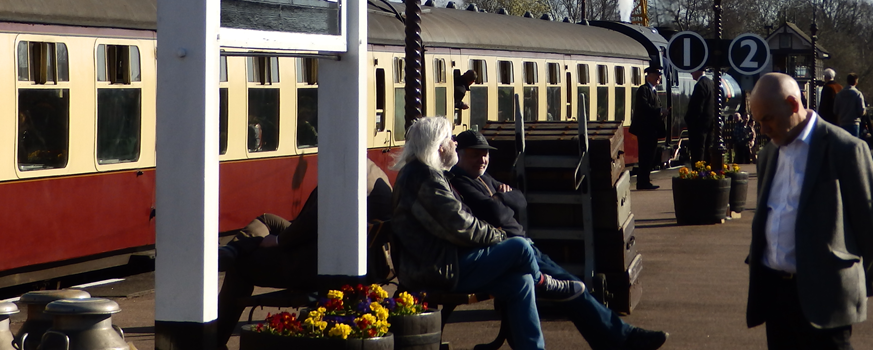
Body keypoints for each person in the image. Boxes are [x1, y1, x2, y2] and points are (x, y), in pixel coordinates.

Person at [448, 130, 668, 350]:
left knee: (571, 288)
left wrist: (502, 197)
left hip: (519, 249)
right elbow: (495, 213)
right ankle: (622, 337)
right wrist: (500, 199)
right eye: (476, 154)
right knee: (572, 288)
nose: (483, 159)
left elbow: (521, 200)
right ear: (459, 155)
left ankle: (616, 337)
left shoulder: (482, 177)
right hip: (508, 252)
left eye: (485, 154)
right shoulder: (461, 181)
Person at [390, 117, 582, 350]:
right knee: (519, 247)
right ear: (439, 146)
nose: (454, 144)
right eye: (451, 139)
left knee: (519, 283)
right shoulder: (426, 178)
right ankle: (544, 282)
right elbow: (461, 226)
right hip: (438, 269)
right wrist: (500, 236)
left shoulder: (423, 173)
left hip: (441, 261)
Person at [746, 73, 873, 350]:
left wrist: (859, 281)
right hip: (776, 295)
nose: (762, 129)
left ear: (792, 104)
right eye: (758, 121)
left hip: (826, 296)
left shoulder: (845, 148)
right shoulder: (768, 155)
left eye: (768, 119)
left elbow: (870, 227)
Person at [214, 159, 394, 347]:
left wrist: (278, 241)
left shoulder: (346, 175)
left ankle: (212, 341)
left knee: (239, 268)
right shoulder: (373, 173)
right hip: (336, 250)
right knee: (268, 220)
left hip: (316, 262)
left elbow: (314, 221)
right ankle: (232, 250)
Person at [630, 67, 665, 190]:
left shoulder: (654, 91)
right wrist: (659, 111)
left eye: (659, 76)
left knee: (650, 157)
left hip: (652, 130)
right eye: (656, 75)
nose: (658, 78)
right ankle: (642, 182)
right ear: (648, 76)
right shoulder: (643, 90)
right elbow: (644, 107)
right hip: (645, 130)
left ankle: (646, 180)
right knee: (645, 156)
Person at [683, 70, 714, 166]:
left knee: (698, 154)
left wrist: (689, 120)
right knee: (708, 154)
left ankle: (699, 176)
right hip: (710, 126)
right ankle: (707, 175)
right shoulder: (711, 83)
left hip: (699, 128)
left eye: (693, 71)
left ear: (699, 71)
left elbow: (696, 108)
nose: (691, 73)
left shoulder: (700, 85)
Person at [833, 73, 867, 138]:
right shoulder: (858, 94)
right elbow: (861, 111)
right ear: (856, 82)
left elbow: (835, 111)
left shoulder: (839, 94)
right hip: (854, 123)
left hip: (842, 123)